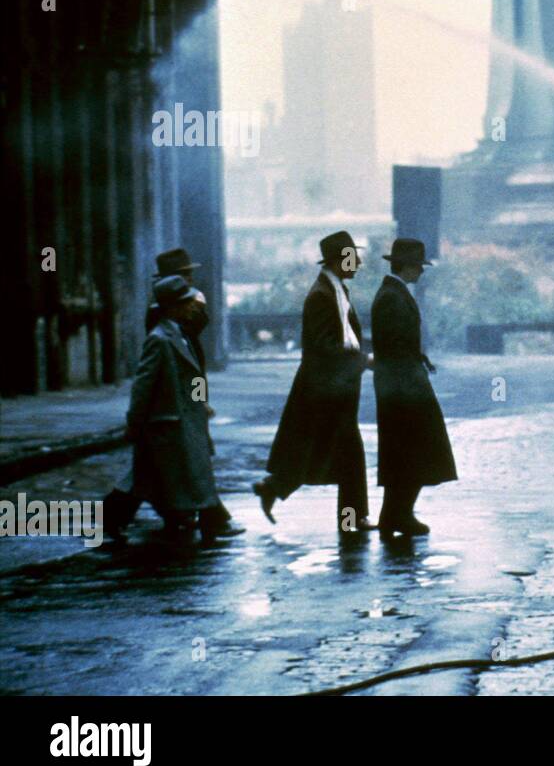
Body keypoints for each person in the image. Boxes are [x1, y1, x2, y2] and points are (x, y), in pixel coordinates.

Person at [105, 276, 243, 545]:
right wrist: (134, 421)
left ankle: (205, 521)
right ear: (174, 307)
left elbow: (194, 376)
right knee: (155, 478)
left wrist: (201, 402)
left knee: (148, 479)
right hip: (166, 422)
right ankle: (209, 521)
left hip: (183, 420)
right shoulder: (160, 339)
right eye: (187, 303)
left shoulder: (181, 333)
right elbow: (143, 385)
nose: (194, 307)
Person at [255, 231, 372, 534]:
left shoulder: (336, 291)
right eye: (351, 256)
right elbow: (324, 346)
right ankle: (350, 519)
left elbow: (345, 337)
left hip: (336, 386)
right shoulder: (321, 295)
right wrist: (363, 361)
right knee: (332, 451)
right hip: (324, 389)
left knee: (326, 451)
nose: (357, 262)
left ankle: (276, 488)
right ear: (337, 260)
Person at [370, 239, 457, 539]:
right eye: (418, 266)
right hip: (402, 388)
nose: (421, 271)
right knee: (414, 451)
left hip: (401, 384)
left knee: (406, 453)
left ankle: (396, 514)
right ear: (406, 266)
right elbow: (393, 345)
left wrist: (418, 359)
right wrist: (413, 363)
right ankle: (397, 515)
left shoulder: (393, 294)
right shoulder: (392, 297)